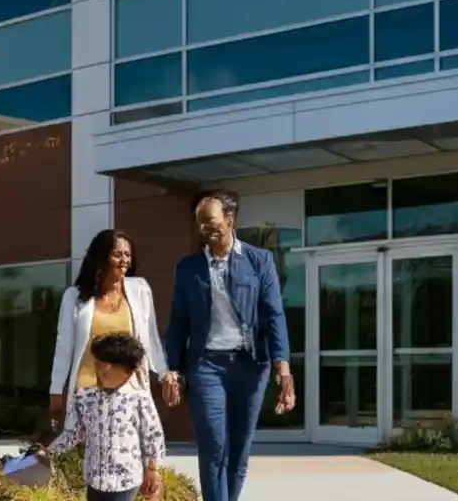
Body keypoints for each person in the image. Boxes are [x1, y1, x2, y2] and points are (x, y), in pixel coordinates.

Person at [160, 190, 295, 501]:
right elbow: (179, 321)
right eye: (199, 222)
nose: (205, 227)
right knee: (213, 446)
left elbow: (274, 314)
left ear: (230, 220)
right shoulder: (188, 267)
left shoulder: (259, 261)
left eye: (211, 220)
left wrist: (283, 368)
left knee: (238, 452)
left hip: (251, 366)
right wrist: (174, 370)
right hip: (207, 365)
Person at [48, 229, 169, 431]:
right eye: (117, 254)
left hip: (128, 389)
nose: (124, 260)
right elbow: (64, 346)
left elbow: (151, 337)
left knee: (126, 448)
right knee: (90, 451)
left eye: (128, 255)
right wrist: (56, 390)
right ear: (102, 257)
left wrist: (164, 372)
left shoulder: (140, 290)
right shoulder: (75, 297)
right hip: (88, 389)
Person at [41, 332, 166, 501]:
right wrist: (47, 453)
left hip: (126, 480)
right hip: (95, 479)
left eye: (105, 365)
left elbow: (152, 435)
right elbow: (71, 434)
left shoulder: (139, 399)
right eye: (97, 363)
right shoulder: (85, 398)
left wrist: (152, 469)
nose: (99, 369)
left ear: (128, 369)